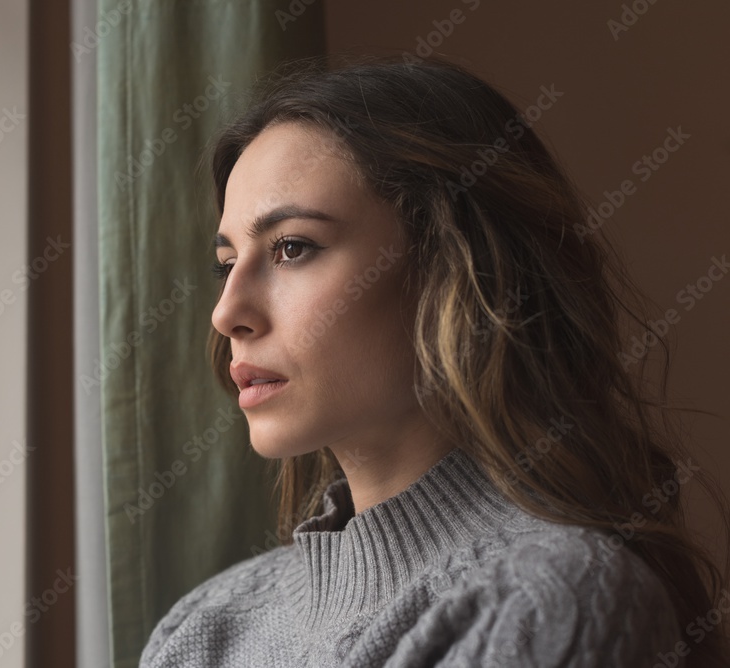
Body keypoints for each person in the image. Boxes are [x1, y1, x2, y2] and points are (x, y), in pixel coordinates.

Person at [138, 56, 730, 667]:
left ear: (456, 268)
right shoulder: (203, 627)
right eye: (226, 263)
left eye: (292, 247)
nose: (226, 312)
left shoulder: (552, 602)